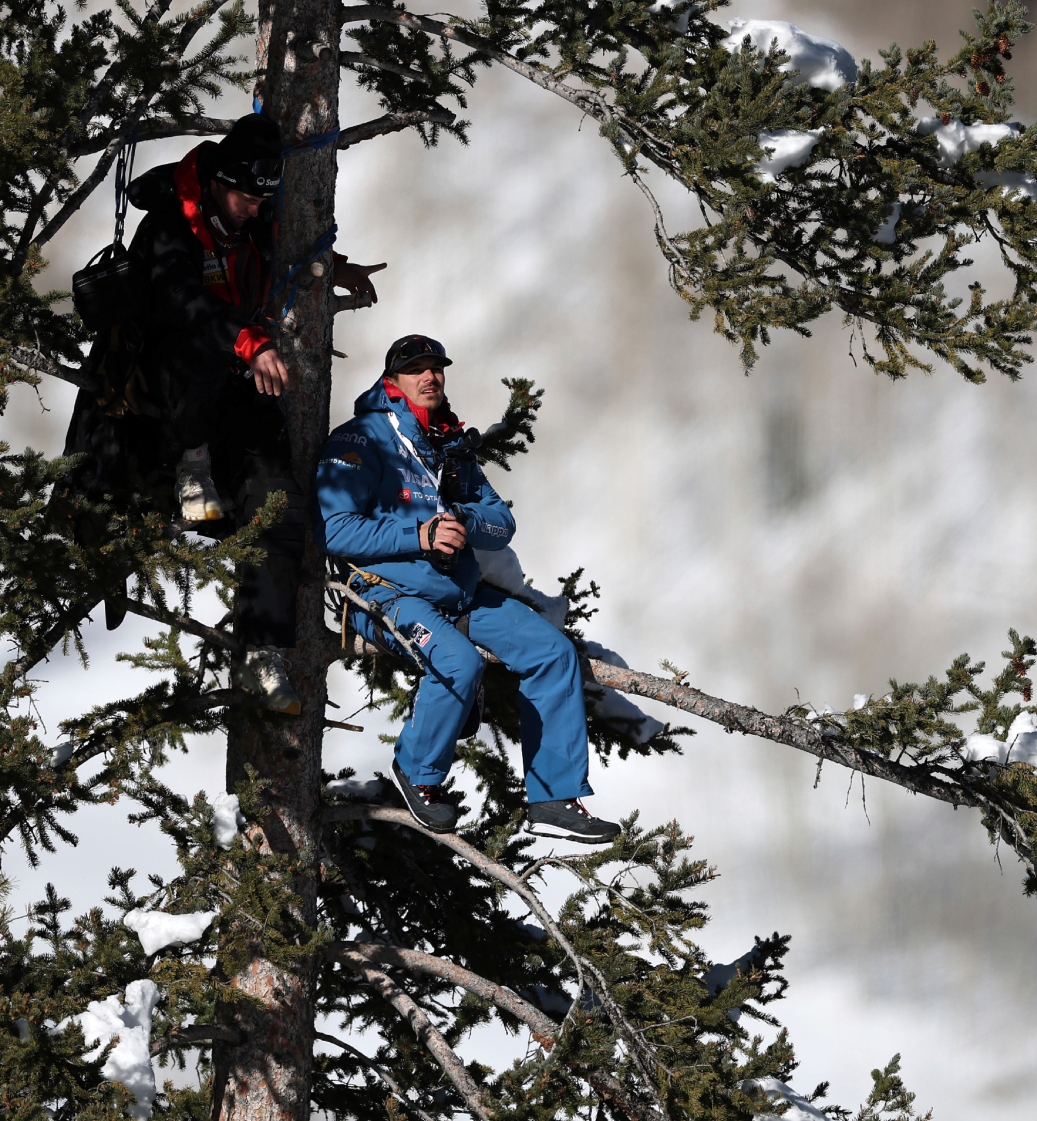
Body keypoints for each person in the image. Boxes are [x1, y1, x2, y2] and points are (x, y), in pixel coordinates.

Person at [59, 113, 383, 714]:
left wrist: (337, 268)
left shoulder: (249, 220)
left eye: (262, 201)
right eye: (246, 198)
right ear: (216, 182)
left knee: (279, 501)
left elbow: (280, 255)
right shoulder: (167, 228)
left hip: (227, 388)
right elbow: (183, 305)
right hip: (157, 397)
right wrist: (248, 342)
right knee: (201, 342)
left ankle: (263, 652)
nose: (255, 210)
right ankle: (193, 465)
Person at [314, 335, 622, 844]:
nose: (429, 376)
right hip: (384, 595)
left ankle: (552, 799)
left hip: (457, 592)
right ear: (392, 380)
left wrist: (461, 517)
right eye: (416, 368)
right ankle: (418, 773)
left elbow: (502, 522)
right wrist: (419, 535)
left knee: (552, 651)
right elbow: (335, 530)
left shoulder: (447, 442)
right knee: (459, 662)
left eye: (436, 367)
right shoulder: (361, 439)